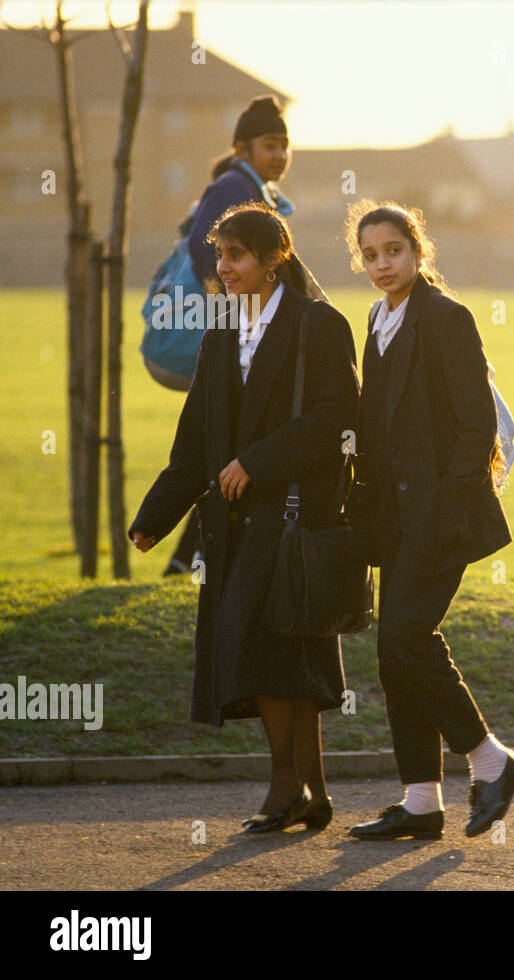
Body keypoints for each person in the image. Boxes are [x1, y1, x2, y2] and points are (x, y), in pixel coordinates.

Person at [129, 203, 360, 832]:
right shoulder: (223, 329)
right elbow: (198, 436)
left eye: (237, 255)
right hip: (235, 528)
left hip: (294, 523)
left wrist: (257, 462)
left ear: (274, 258)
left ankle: (286, 788)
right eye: (220, 254)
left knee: (283, 658)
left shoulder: (320, 324)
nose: (224, 267)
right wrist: (156, 515)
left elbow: (340, 419)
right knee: (272, 657)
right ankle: (310, 791)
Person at [342, 201, 514, 842]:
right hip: (394, 517)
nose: (382, 263)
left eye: (393, 250)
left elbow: (476, 423)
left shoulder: (449, 317)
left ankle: (492, 761)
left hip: (443, 514)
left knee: (404, 636)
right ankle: (421, 802)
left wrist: (445, 506)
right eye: (369, 254)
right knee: (397, 656)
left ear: (417, 252)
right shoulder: (376, 318)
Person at [164, 95, 298, 578]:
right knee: (225, 446)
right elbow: (207, 246)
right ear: (242, 147)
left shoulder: (253, 185)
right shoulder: (236, 185)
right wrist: (237, 300)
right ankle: (188, 561)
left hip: (244, 329)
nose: (280, 153)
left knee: (230, 448)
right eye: (269, 143)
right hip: (236, 334)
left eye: (285, 143)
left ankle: (188, 563)